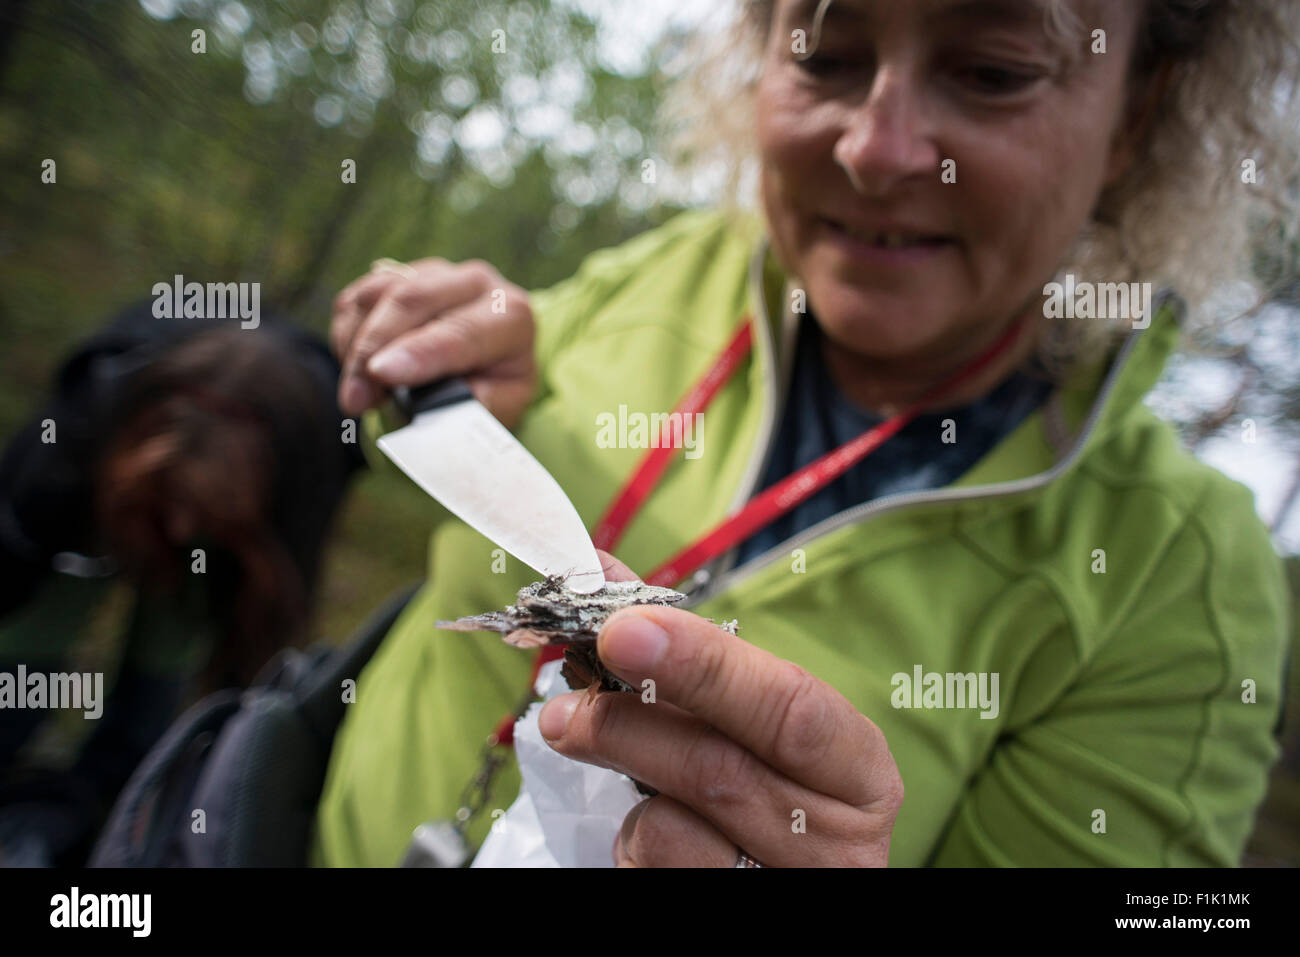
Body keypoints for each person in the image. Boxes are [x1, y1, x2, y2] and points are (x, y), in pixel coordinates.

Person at [313, 0, 1300, 867]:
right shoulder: (662, 271)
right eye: (824, 56)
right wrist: (432, 383)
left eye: (992, 72)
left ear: (1137, 111)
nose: (875, 147)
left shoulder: (1179, 579)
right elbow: (398, 479)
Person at [0, 300, 364, 866]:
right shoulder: (85, 418)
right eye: (175, 502)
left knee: (163, 661)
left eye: (201, 511)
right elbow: (15, 543)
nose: (181, 528)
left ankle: (101, 817)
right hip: (103, 511)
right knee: (25, 653)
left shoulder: (316, 455)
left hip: (233, 542)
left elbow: (265, 620)